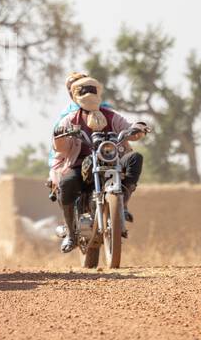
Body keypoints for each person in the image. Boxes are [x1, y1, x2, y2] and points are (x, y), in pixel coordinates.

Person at [48, 71, 147, 253]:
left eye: (92, 91)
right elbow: (60, 148)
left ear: (98, 94)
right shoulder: (70, 119)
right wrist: (59, 133)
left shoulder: (110, 115)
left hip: (111, 159)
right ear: (76, 96)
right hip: (80, 164)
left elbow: (129, 128)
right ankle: (71, 233)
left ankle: (122, 204)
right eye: (85, 92)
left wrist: (137, 128)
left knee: (135, 158)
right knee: (67, 183)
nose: (89, 96)